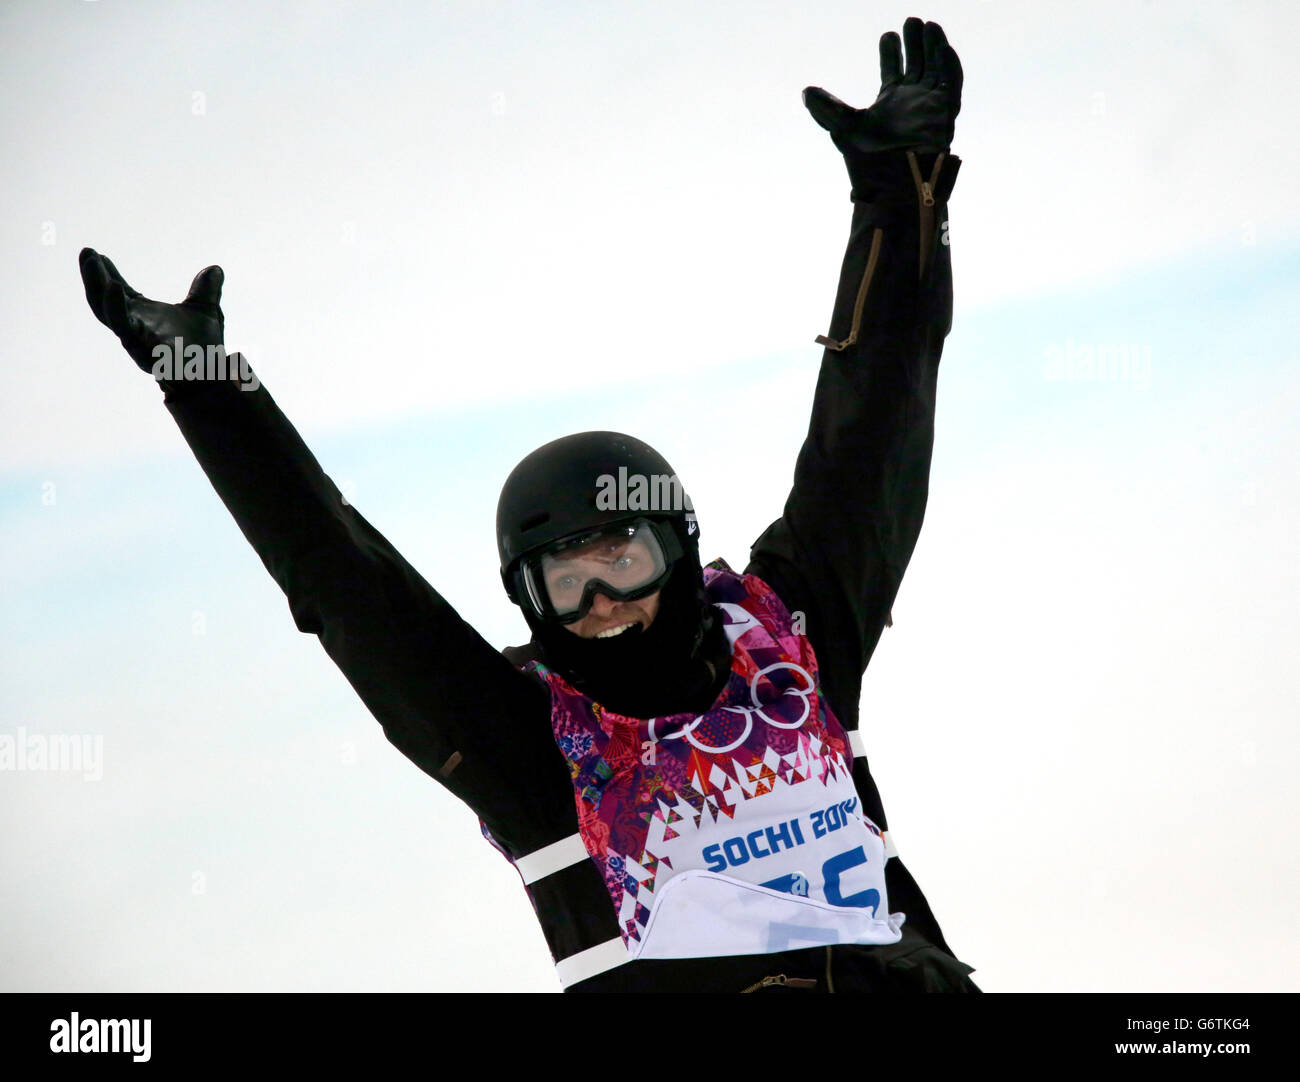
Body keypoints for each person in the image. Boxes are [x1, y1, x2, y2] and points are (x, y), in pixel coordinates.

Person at [79, 16, 977, 992]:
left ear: (676, 547)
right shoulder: (525, 741)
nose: (598, 603)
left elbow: (876, 418)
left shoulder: (790, 630)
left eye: (619, 559)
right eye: (563, 581)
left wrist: (900, 187)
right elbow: (341, 577)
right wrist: (204, 380)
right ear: (528, 601)